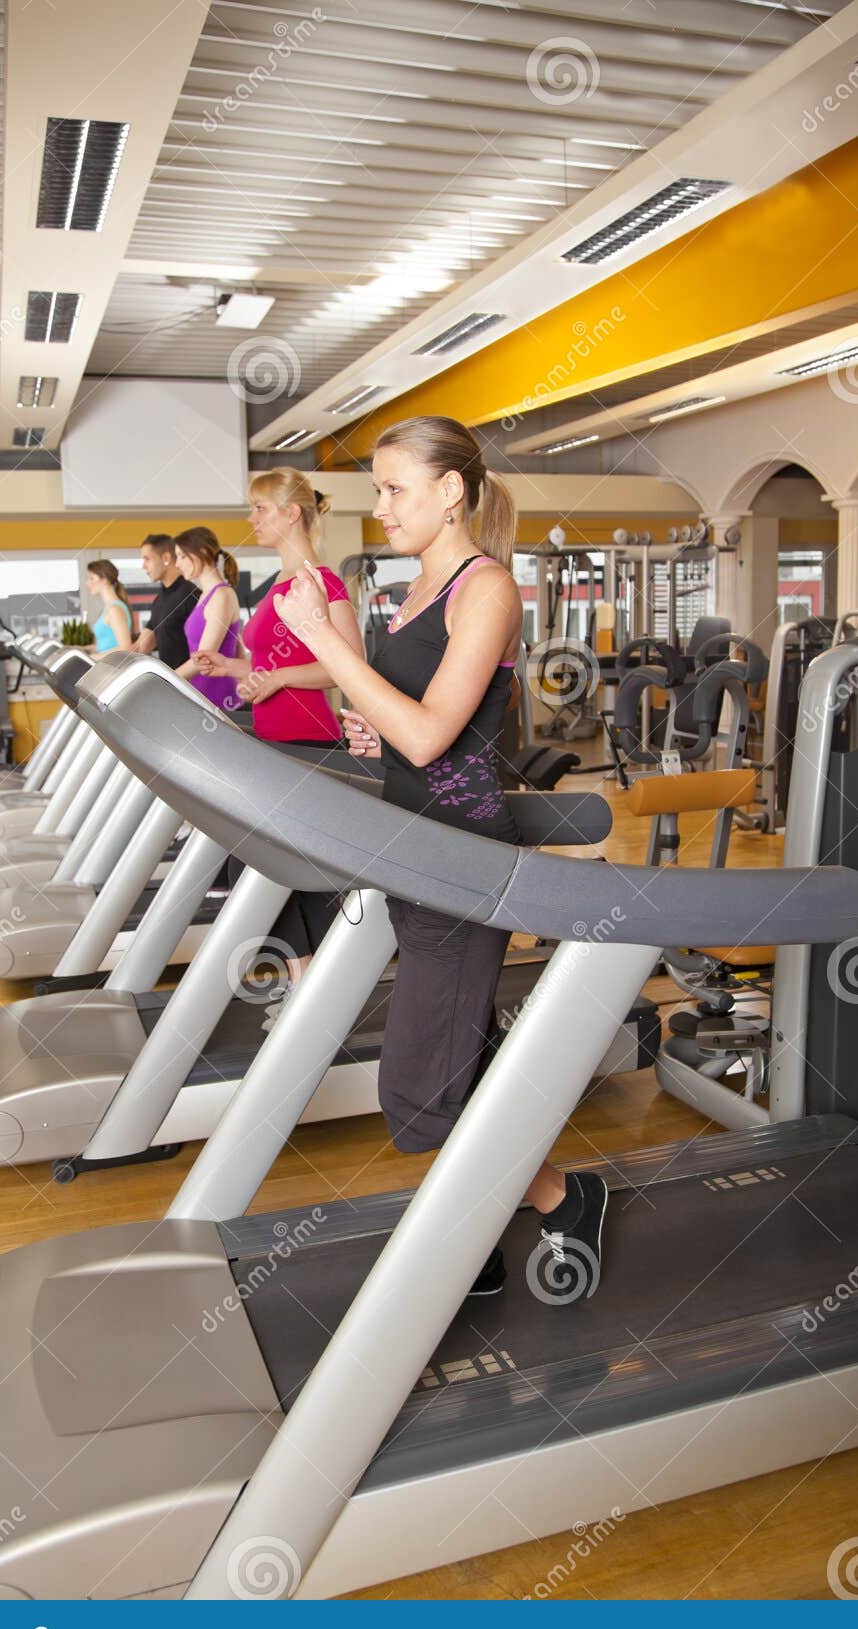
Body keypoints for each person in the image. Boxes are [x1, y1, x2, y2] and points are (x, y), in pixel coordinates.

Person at [272, 414, 608, 1300]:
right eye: (377, 490)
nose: (379, 507)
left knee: (418, 1096)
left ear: (449, 490)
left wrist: (325, 644)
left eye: (392, 489)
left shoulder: (484, 586)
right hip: (415, 854)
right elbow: (409, 728)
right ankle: (487, 1224)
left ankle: (566, 1199)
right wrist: (366, 724)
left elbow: (429, 741)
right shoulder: (417, 585)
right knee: (464, 1066)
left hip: (461, 863)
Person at [194, 469, 364, 992]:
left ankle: (308, 979)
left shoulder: (321, 582)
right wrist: (232, 671)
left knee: (270, 864)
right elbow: (268, 665)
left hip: (309, 741)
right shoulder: (278, 587)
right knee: (269, 865)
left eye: (260, 508)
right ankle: (304, 979)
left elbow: (350, 664)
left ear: (292, 513)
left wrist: (281, 677)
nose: (251, 520)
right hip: (276, 741)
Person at [171, 527, 241, 710]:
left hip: (218, 697)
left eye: (181, 556)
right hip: (200, 694)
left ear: (201, 553)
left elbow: (204, 657)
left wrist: (165, 679)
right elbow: (237, 646)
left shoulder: (222, 596)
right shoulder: (205, 596)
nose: (177, 564)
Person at [132, 533, 200, 670]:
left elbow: (207, 651)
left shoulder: (192, 595)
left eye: (147, 559)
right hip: (171, 684)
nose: (143, 566)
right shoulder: (159, 601)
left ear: (166, 558)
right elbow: (141, 646)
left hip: (192, 686)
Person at [85, 560, 134, 652]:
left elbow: (125, 648)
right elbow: (105, 647)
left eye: (91, 578)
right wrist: (82, 649)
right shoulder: (108, 608)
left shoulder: (115, 609)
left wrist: (93, 658)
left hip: (112, 665)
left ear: (104, 580)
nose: (87, 583)